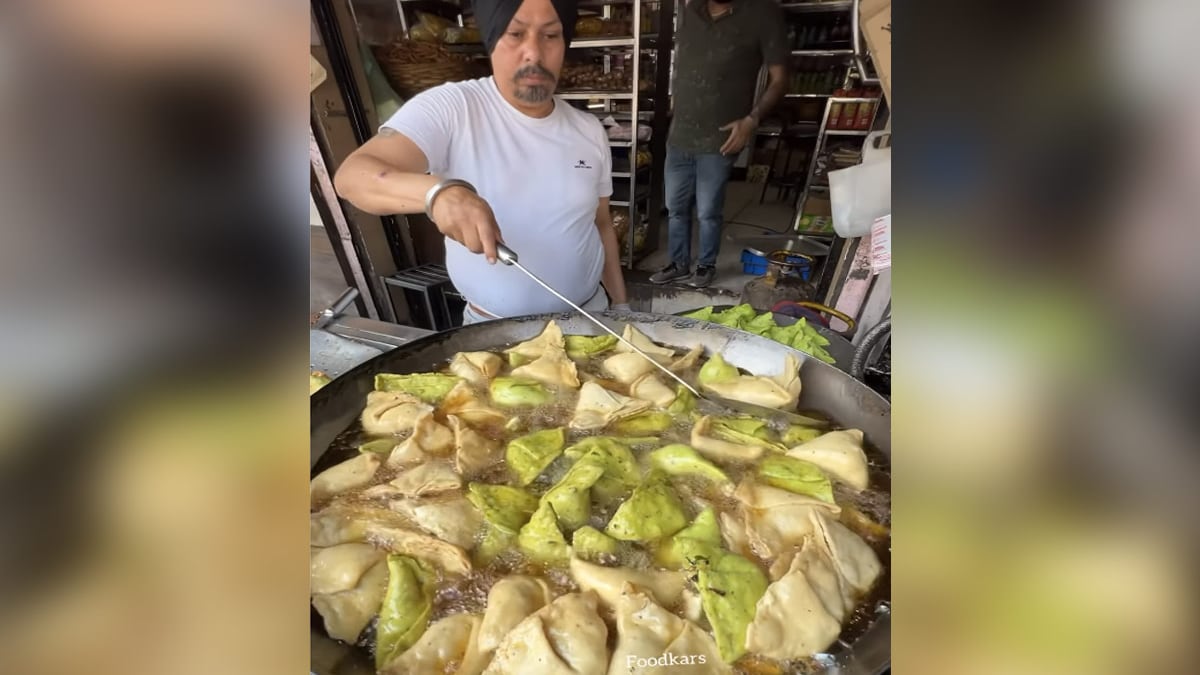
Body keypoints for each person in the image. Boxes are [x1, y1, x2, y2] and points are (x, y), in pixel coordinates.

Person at [334, 0, 629, 324]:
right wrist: (439, 193)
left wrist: (621, 305)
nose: (533, 53)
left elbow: (600, 225)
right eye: (515, 33)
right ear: (491, 38)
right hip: (495, 335)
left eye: (551, 35)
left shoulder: (588, 129)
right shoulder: (453, 108)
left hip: (592, 319)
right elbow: (353, 177)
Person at [649, 0, 788, 288]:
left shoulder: (762, 13)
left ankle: (705, 266)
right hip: (680, 135)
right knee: (675, 208)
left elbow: (780, 79)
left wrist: (751, 120)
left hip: (720, 137)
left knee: (708, 211)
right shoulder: (690, 11)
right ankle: (678, 264)